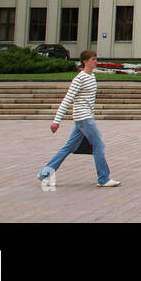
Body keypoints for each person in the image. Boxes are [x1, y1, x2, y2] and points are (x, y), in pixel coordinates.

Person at [35, 49, 119, 187]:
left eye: (96, 59)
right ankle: (103, 178)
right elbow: (67, 99)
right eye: (93, 59)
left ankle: (45, 173)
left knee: (69, 147)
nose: (95, 62)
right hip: (84, 118)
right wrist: (57, 121)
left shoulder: (91, 77)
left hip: (84, 117)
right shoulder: (79, 79)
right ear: (85, 62)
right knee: (99, 145)